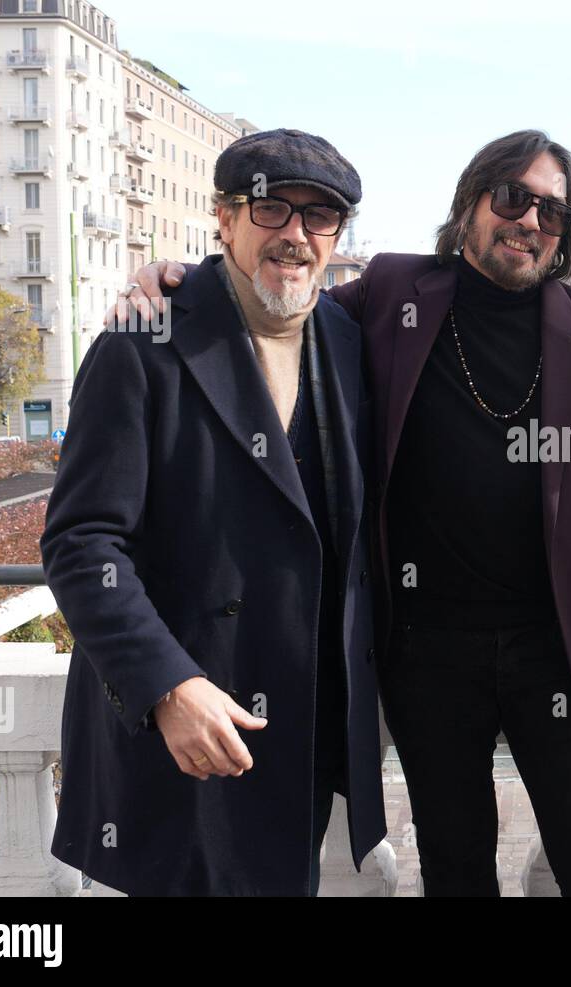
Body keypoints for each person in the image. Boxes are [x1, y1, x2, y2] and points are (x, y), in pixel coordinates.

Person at [117, 130, 571, 897]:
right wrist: (177, 280)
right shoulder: (393, 292)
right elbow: (280, 297)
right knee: (454, 866)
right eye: (513, 197)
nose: (530, 220)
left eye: (552, 211)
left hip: (556, 646)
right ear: (468, 206)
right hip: (425, 649)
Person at [42, 129, 384, 895]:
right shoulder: (144, 336)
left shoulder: (348, 339)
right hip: (183, 737)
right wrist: (168, 685)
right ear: (224, 219)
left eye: (321, 215)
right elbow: (80, 540)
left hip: (297, 741)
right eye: (271, 208)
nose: (295, 233)